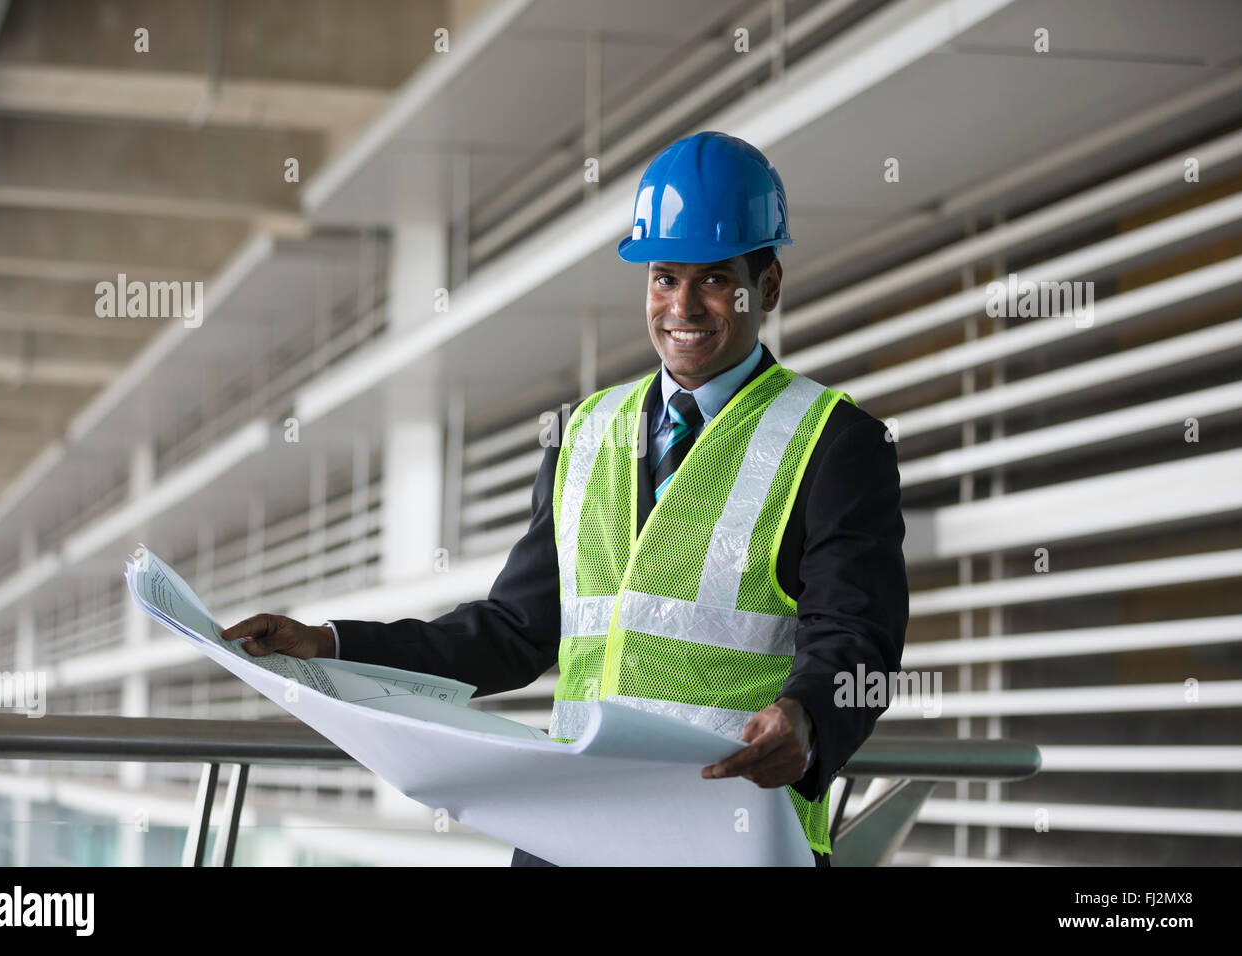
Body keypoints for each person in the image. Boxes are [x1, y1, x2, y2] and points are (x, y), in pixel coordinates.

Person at [221, 131, 908, 867]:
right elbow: (512, 632)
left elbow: (856, 639)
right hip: (572, 838)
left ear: (766, 286)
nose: (683, 306)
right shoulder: (586, 432)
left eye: (714, 279)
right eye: (663, 277)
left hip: (726, 833)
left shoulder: (833, 441)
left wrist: (806, 721)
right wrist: (329, 643)